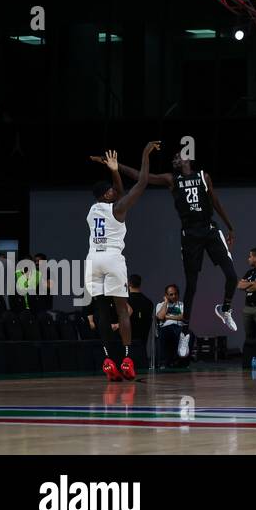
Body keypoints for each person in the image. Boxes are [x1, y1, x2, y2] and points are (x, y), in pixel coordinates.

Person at [99, 150, 240, 334]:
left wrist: (230, 227)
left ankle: (226, 310)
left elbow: (216, 202)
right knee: (192, 285)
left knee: (232, 275)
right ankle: (185, 332)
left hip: (209, 229)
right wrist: (117, 166)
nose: (174, 159)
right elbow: (142, 176)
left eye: (177, 156)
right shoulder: (171, 179)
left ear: (188, 159)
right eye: (173, 157)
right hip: (190, 233)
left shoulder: (203, 177)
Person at [86, 143, 158, 381]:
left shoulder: (92, 211)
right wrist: (145, 154)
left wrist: (114, 171)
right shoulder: (117, 209)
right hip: (112, 258)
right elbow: (142, 183)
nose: (116, 192)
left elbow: (119, 190)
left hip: (93, 258)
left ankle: (108, 360)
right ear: (107, 194)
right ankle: (127, 358)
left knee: (100, 312)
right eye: (112, 192)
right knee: (121, 310)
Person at [155, 284, 188, 369]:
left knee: (189, 333)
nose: (174, 296)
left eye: (176, 294)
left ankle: (182, 361)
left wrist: (168, 317)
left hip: (179, 328)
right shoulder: (160, 305)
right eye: (171, 294)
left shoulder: (181, 304)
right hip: (166, 328)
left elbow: (183, 317)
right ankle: (163, 363)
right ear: (166, 295)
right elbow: (161, 317)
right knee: (166, 331)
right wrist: (166, 302)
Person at [126, 275, 155, 359]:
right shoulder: (149, 302)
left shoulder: (125, 301)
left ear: (129, 284)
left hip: (128, 342)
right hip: (142, 341)